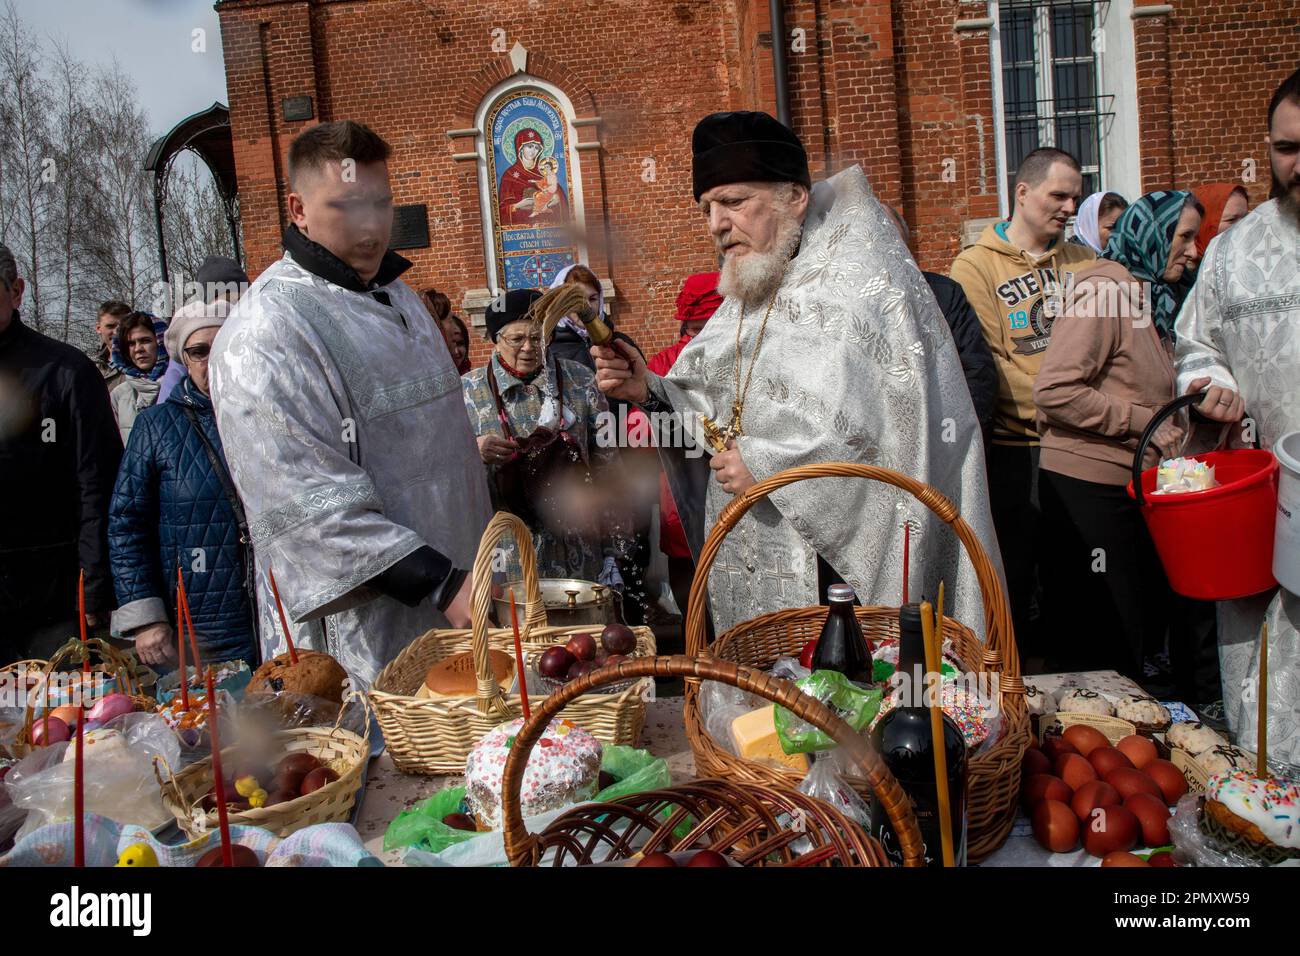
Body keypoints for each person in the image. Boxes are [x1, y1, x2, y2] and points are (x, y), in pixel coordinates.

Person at [593, 111, 1001, 638]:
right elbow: (716, 402)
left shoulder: (860, 292)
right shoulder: (750, 286)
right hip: (757, 551)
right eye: (707, 207)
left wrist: (766, 465)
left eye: (735, 202)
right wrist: (647, 389)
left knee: (844, 695)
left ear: (795, 198)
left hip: (843, 568)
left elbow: (892, 438)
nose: (717, 224)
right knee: (766, 703)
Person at [210, 120, 491, 689]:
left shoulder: (403, 298)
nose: (370, 226)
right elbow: (308, 505)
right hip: (363, 636)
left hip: (462, 601)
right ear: (298, 209)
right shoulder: (266, 331)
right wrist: (441, 582)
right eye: (347, 206)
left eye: (381, 205)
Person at [1175, 67, 1300, 763]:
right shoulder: (1231, 255)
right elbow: (1195, 345)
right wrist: (1209, 382)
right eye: (1287, 148)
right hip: (1268, 512)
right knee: (1270, 713)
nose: (1298, 164)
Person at [1034, 191, 1207, 681]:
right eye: (1184, 237)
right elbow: (1055, 390)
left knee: (1123, 638)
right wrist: (1143, 421)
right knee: (1100, 644)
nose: (1194, 251)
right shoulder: (1107, 289)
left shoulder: (1145, 292)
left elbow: (1133, 379)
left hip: (1123, 488)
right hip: (1087, 492)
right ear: (1150, 235)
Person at [949, 147, 1096, 658]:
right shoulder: (974, 267)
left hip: (1081, 446)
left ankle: (1079, 695)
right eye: (1059, 194)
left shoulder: (1086, 263)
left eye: (1075, 196)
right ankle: (1019, 698)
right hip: (1018, 452)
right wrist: (1076, 403)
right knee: (1016, 580)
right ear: (1023, 192)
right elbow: (993, 365)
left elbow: (1106, 349)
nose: (1069, 207)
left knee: (1076, 580)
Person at [109, 299, 256, 668]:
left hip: (278, 617)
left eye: (223, 346)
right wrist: (147, 618)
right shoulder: (156, 427)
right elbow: (126, 524)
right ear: (184, 360)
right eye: (199, 351)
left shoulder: (270, 415)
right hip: (201, 628)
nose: (212, 359)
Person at [0, 243, 122, 660]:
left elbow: (97, 482)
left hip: (53, 593)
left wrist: (94, 580)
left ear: (16, 291)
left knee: (59, 717)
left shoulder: (65, 372)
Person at [462, 288, 629, 589]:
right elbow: (441, 474)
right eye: (516, 339)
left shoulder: (581, 380)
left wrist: (615, 553)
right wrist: (472, 452)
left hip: (579, 554)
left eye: (538, 337)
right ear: (494, 339)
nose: (528, 348)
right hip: (507, 558)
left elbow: (608, 466)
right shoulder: (467, 393)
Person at [647, 272, 723, 623]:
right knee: (686, 566)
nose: (703, 337)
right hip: (684, 478)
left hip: (736, 477)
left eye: (710, 326)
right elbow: (640, 426)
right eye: (695, 330)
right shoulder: (663, 365)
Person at [886, 207, 998, 434]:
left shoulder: (943, 294)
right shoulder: (836, 305)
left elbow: (977, 373)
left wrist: (955, 442)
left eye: (890, 237)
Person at [157, 256, 249, 404]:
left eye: (240, 302)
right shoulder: (190, 353)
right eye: (223, 306)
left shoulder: (258, 339)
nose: (232, 311)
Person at [109, 311, 169, 444]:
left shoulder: (180, 386)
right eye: (131, 343)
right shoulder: (119, 395)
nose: (138, 349)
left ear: (161, 341)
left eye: (145, 340)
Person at [1191, 183, 1250, 258]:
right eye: (1231, 219)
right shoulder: (1179, 268)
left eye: (1246, 218)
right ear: (1203, 224)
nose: (1245, 226)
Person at [93, 300, 131, 393]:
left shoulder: (142, 365)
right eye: (110, 326)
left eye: (122, 326)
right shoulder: (91, 368)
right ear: (98, 328)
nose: (116, 332)